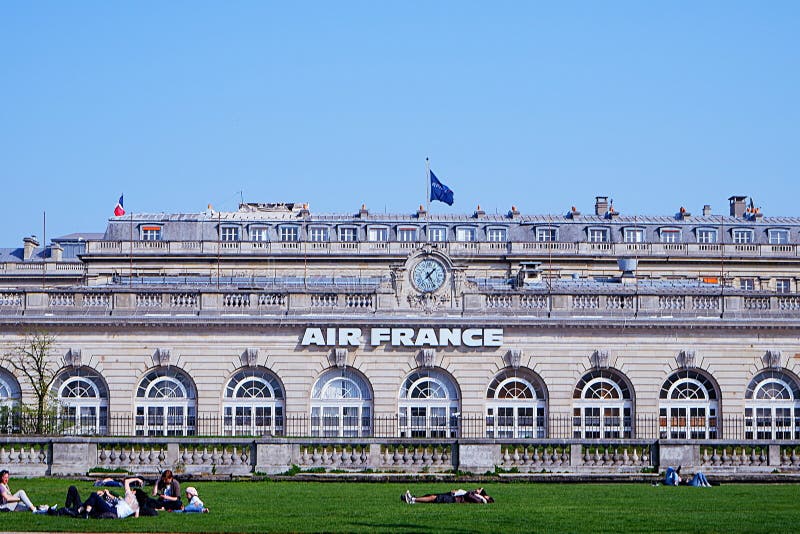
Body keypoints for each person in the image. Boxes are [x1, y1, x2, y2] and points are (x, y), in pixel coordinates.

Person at [402, 487, 494, 504]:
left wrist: (477, 492)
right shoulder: (480, 498)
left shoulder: (481, 500)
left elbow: (468, 495)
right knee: (432, 496)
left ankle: (412, 499)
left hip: (454, 499)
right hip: (454, 496)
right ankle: (415, 498)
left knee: (434, 498)